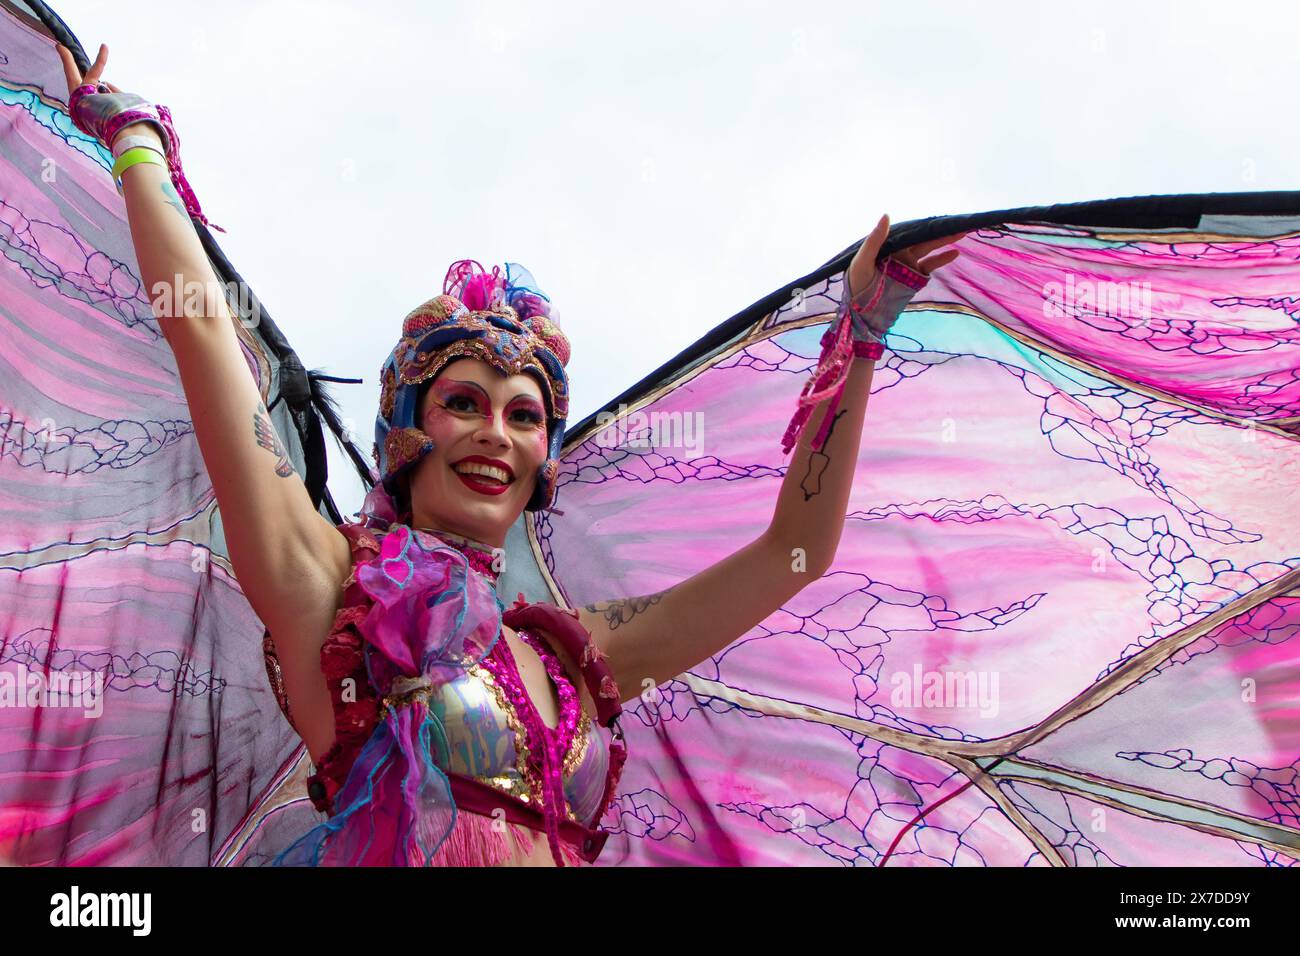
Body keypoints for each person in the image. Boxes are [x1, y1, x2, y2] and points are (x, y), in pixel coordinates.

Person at [56, 41, 964, 867]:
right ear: (407, 432)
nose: (497, 432)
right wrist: (138, 145)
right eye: (463, 403)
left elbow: (793, 555)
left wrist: (864, 330)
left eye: (525, 416)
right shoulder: (330, 590)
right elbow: (205, 333)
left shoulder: (574, 653)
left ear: (545, 456)